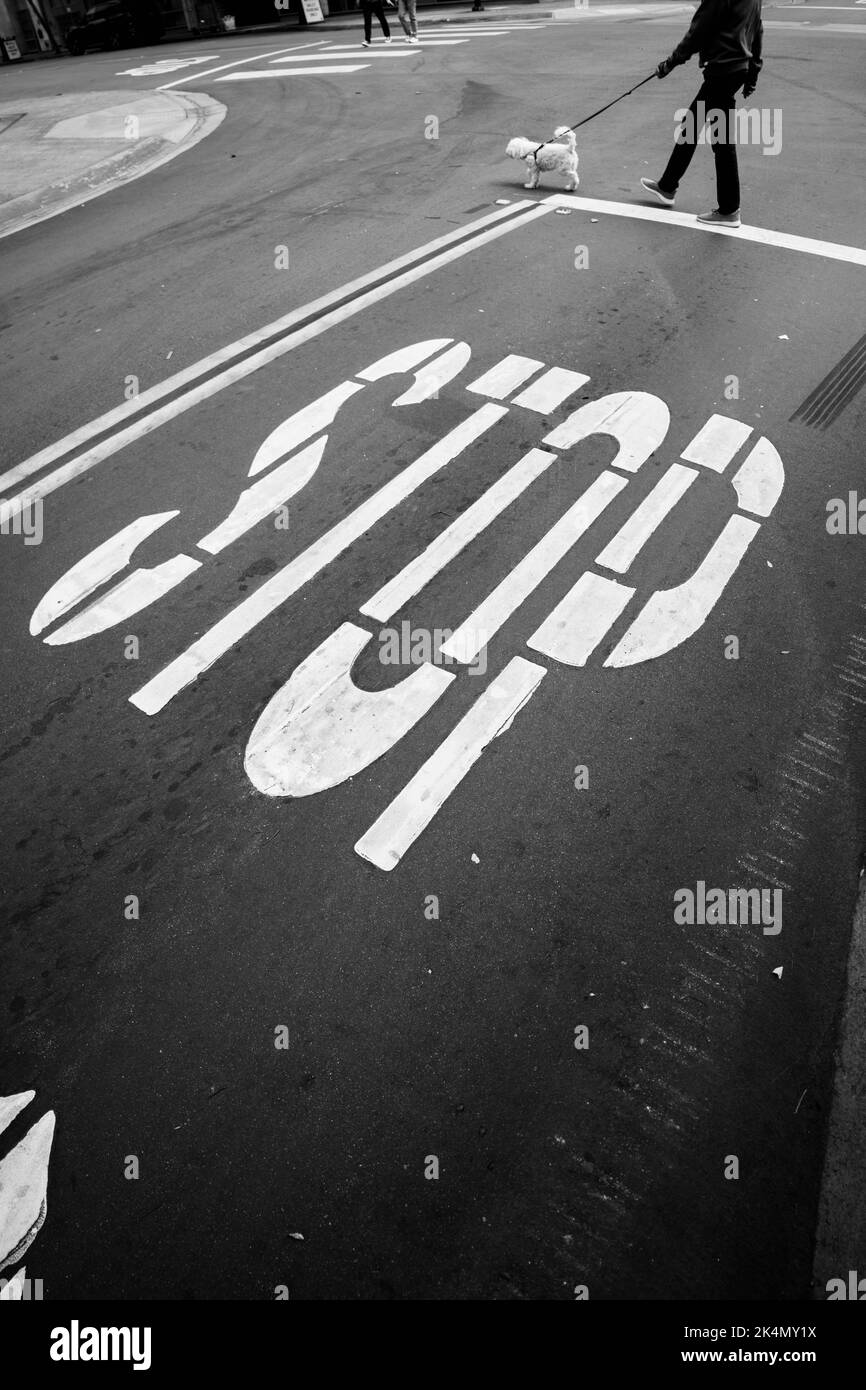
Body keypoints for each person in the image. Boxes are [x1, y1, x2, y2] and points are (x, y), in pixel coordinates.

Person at [640, 0, 763, 228]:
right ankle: (667, 186)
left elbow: (698, 31)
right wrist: (752, 74)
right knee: (692, 124)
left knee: (722, 142)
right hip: (736, 68)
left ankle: (729, 210)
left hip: (723, 68)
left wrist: (670, 63)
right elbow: (757, 30)